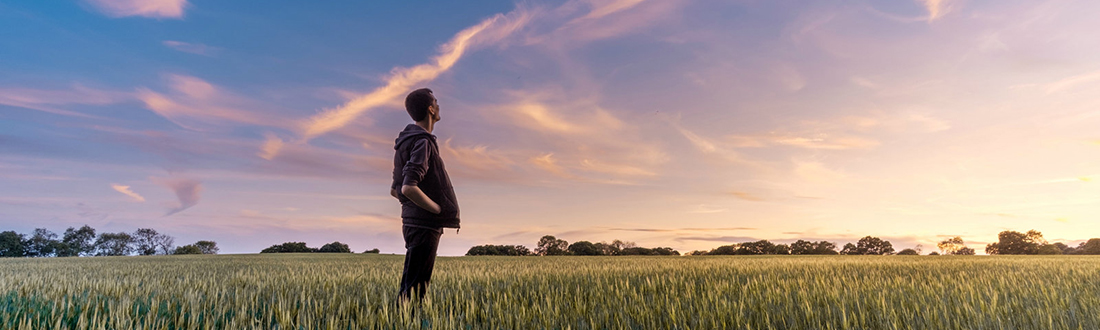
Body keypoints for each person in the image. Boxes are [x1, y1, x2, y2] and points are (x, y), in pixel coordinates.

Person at [390, 88, 461, 301]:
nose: (439, 106)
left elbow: (395, 189)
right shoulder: (423, 141)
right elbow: (407, 188)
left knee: (410, 286)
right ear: (431, 109)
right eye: (436, 103)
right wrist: (437, 210)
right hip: (424, 224)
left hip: (412, 222)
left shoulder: (405, 142)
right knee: (416, 291)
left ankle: (399, 322)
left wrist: (412, 208)